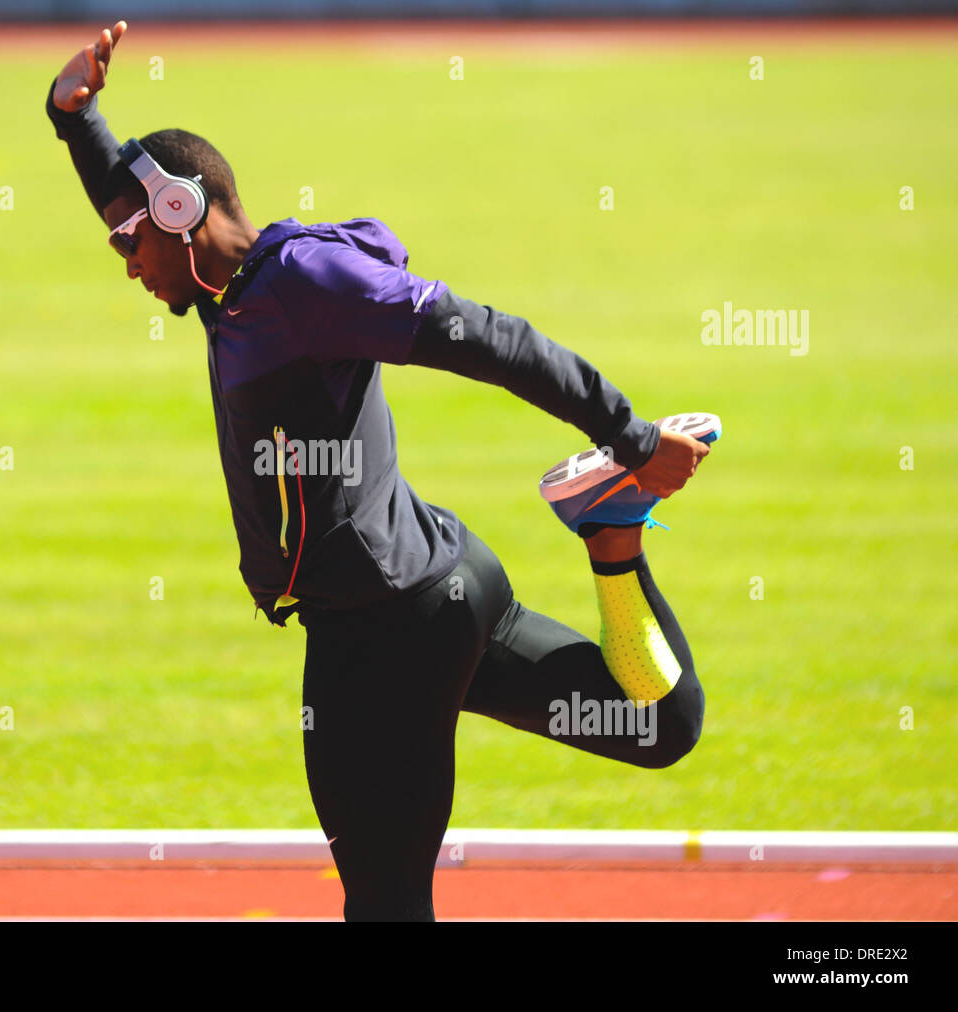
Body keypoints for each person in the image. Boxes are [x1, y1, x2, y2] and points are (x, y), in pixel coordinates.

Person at [46, 21, 718, 922]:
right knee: (656, 725)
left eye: (131, 241)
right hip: (443, 593)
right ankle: (611, 537)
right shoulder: (229, 293)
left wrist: (629, 434)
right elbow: (129, 193)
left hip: (383, 633)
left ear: (181, 214)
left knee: (387, 904)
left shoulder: (305, 287)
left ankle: (615, 494)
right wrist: (73, 118)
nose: (127, 267)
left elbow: (492, 340)